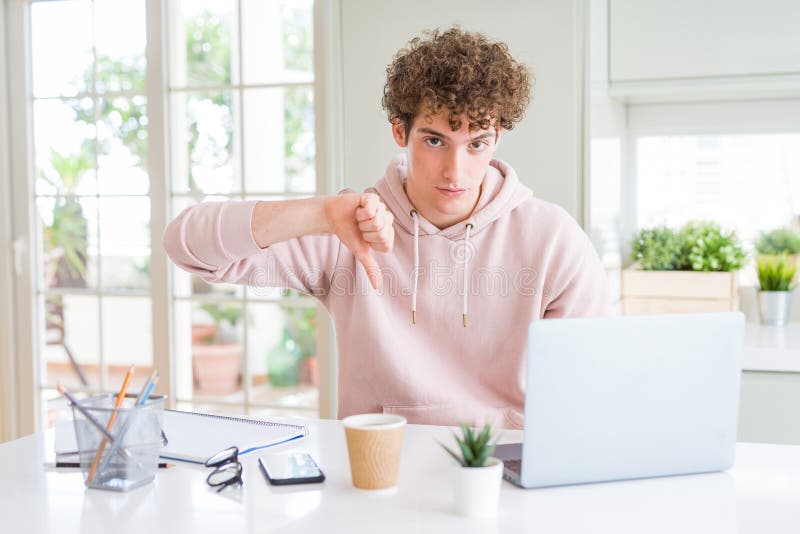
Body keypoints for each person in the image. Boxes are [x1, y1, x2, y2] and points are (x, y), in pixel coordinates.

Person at [164, 27, 611, 428]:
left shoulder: (552, 239)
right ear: (400, 131)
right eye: (435, 140)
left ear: (497, 138)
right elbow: (186, 246)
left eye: (477, 144)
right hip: (378, 473)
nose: (456, 171)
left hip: (500, 476)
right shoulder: (347, 228)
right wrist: (320, 213)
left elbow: (591, 384)